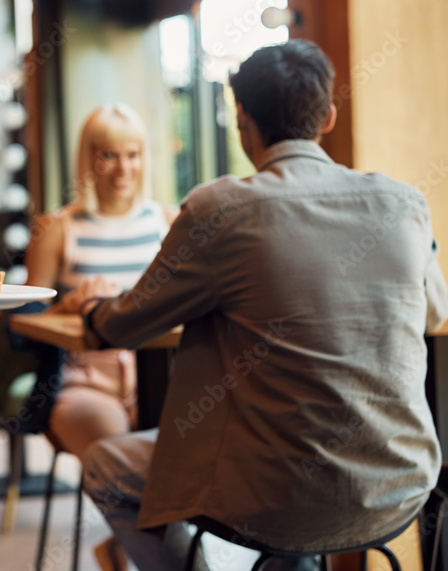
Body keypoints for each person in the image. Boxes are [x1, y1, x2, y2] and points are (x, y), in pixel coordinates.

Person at [65, 39, 448, 571]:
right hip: (399, 487)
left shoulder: (219, 209)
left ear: (241, 119)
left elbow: (121, 327)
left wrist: (93, 308)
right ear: (329, 116)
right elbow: (433, 314)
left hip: (267, 500)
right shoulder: (404, 203)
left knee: (107, 464)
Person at [23, 105, 178, 571]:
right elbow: (25, 312)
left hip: (158, 374)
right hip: (83, 382)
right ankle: (138, 551)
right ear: (89, 159)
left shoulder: (166, 223)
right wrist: (67, 304)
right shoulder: (59, 228)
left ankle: (127, 550)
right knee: (117, 454)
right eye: (110, 155)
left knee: (189, 444)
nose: (123, 168)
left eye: (133, 155)